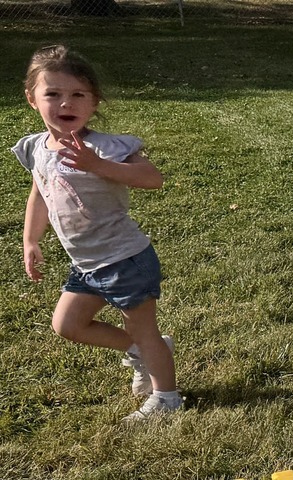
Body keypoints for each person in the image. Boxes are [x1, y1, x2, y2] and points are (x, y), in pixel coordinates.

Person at [14, 45, 179, 422]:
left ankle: (166, 397)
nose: (65, 103)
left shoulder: (107, 147)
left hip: (125, 258)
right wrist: (30, 240)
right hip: (86, 263)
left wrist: (97, 164)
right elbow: (39, 193)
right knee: (67, 325)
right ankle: (141, 351)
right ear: (32, 99)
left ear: (94, 102)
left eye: (77, 95)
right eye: (52, 93)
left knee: (144, 329)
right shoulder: (37, 148)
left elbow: (152, 179)